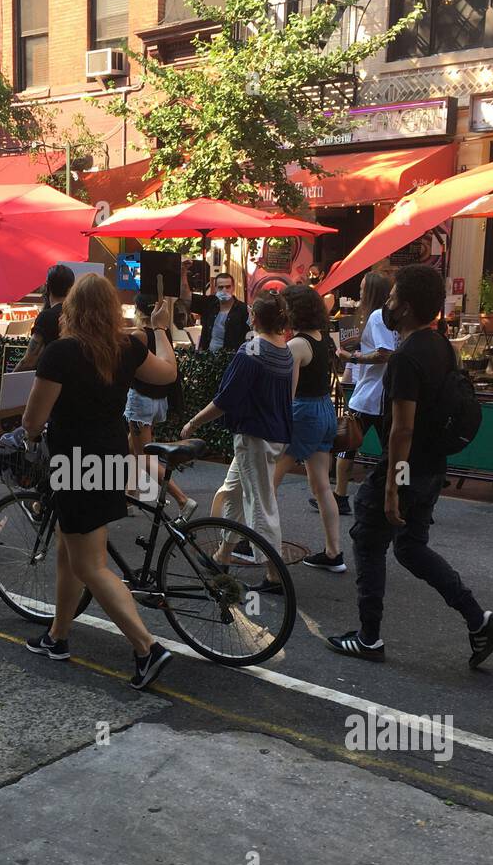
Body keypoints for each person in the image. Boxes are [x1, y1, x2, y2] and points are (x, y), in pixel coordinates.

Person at [327, 263, 493, 667]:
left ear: (405, 308)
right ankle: (479, 620)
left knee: (368, 539)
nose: (386, 305)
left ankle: (369, 637)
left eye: (391, 299)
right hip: (431, 466)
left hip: (406, 467)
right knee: (410, 547)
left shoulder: (406, 358)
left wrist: (392, 488)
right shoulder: (441, 344)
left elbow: (401, 430)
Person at [21, 274, 179, 689]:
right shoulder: (127, 346)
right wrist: (161, 329)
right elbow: (166, 375)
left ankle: (147, 647)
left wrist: (29, 434)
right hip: (112, 455)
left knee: (90, 563)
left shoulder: (61, 353)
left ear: (71, 309)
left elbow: (33, 420)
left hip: (73, 461)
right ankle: (58, 635)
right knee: (71, 548)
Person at [181, 292, 295, 589]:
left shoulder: (252, 350)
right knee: (233, 492)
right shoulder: (284, 349)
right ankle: (223, 553)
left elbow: (226, 400)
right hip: (274, 434)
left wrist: (193, 422)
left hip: (255, 436)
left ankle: (273, 573)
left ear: (254, 318)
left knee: (260, 503)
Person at [273, 284, 344, 571]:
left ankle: (255, 543)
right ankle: (333, 552)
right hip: (325, 411)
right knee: (322, 486)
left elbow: (286, 395)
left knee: (268, 483)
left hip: (303, 413)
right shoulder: (323, 338)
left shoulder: (296, 345)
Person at [125, 294, 195, 518]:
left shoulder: (139, 335)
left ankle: (182, 499)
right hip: (158, 402)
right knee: (134, 447)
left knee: (144, 455)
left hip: (141, 401)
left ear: (137, 311)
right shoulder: (161, 333)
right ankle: (131, 494)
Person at [334, 271, 397, 516]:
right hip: (388, 395)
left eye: (362, 289)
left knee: (346, 443)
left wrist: (353, 357)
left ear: (371, 292)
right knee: (394, 450)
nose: (359, 293)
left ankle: (340, 495)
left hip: (371, 395)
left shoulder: (378, 316)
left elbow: (384, 352)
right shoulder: (394, 317)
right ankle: (398, 493)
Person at [15, 263, 75, 372]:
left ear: (47, 287)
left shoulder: (46, 317)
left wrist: (8, 383)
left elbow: (29, 360)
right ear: (71, 288)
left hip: (50, 378)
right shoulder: (78, 315)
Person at [189, 271, 249, 354]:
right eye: (221, 287)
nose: (224, 290)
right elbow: (186, 297)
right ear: (216, 288)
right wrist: (183, 272)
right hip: (208, 358)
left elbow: (250, 337)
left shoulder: (243, 310)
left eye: (228, 287)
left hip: (231, 359)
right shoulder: (209, 304)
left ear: (233, 288)